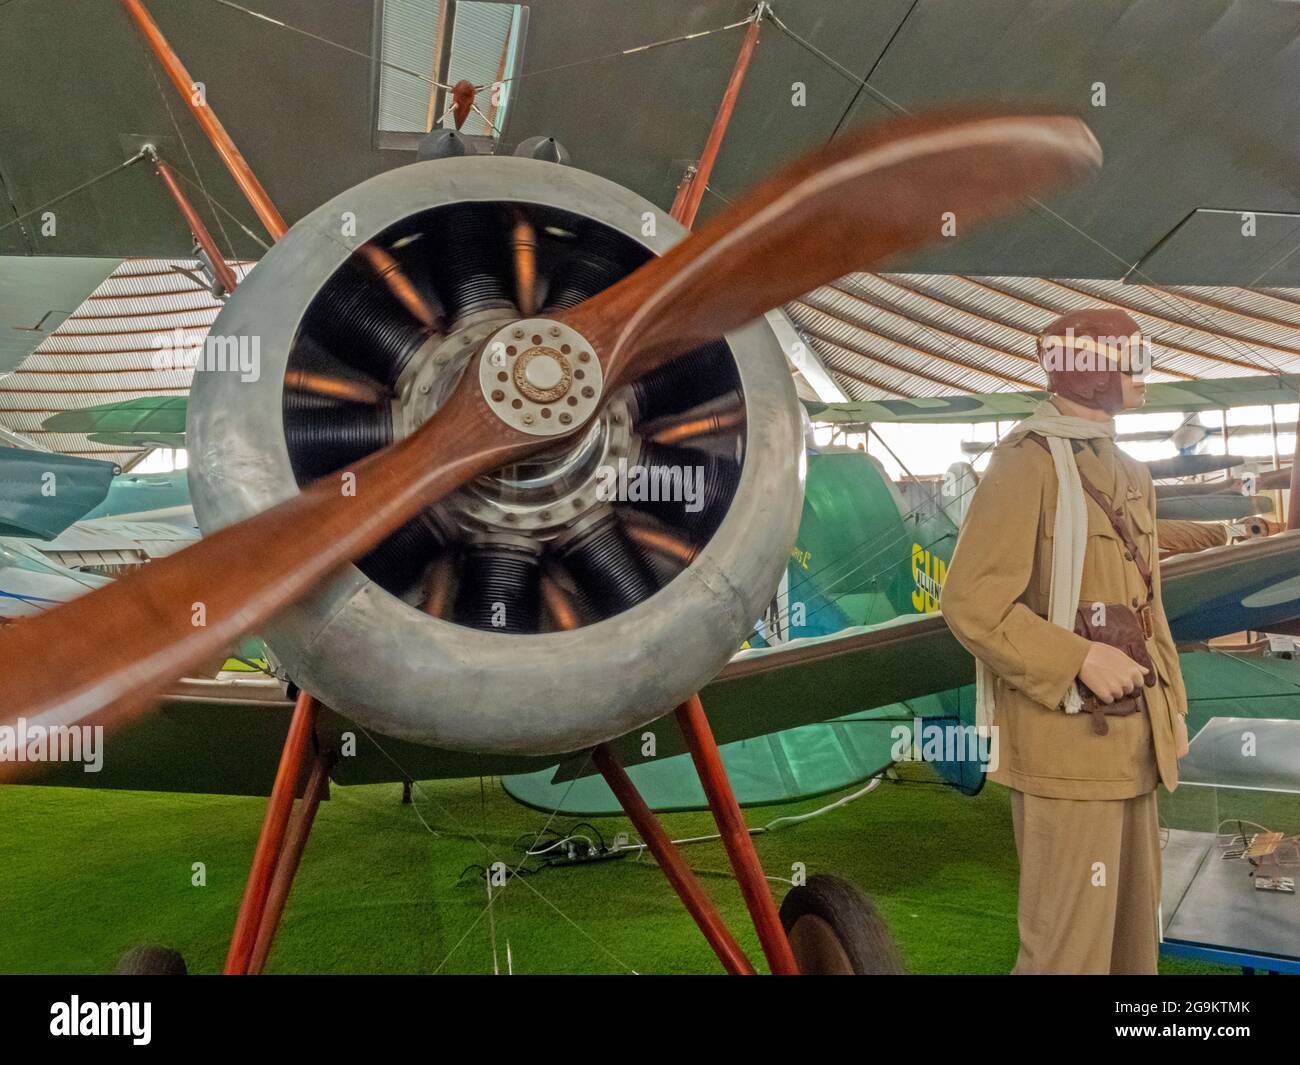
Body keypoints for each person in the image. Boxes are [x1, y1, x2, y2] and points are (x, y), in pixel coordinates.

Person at [941, 308, 1188, 974]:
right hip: (1070, 750)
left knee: (1133, 950)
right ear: (1090, 367)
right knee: (1067, 956)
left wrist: (1169, 718)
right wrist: (1077, 656)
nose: (1144, 373)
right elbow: (971, 601)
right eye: (1131, 359)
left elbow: (1148, 604)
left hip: (1135, 743)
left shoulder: (1130, 470)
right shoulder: (1027, 462)